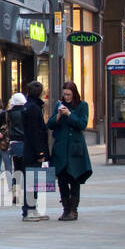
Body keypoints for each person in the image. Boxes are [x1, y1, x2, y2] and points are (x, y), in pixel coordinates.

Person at [47, 80, 92, 221]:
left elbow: (82, 124)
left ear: (74, 93)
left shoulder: (82, 105)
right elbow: (50, 124)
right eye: (65, 94)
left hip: (75, 149)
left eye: (69, 94)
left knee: (75, 178)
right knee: (61, 178)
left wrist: (69, 114)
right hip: (60, 148)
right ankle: (66, 209)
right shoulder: (58, 105)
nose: (66, 97)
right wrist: (59, 115)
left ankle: (73, 209)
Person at [19, 80, 49, 222]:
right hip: (33, 151)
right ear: (40, 92)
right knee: (32, 181)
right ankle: (29, 210)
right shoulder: (33, 108)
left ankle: (32, 209)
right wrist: (40, 153)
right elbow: (35, 132)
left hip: (30, 150)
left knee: (33, 181)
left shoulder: (29, 106)